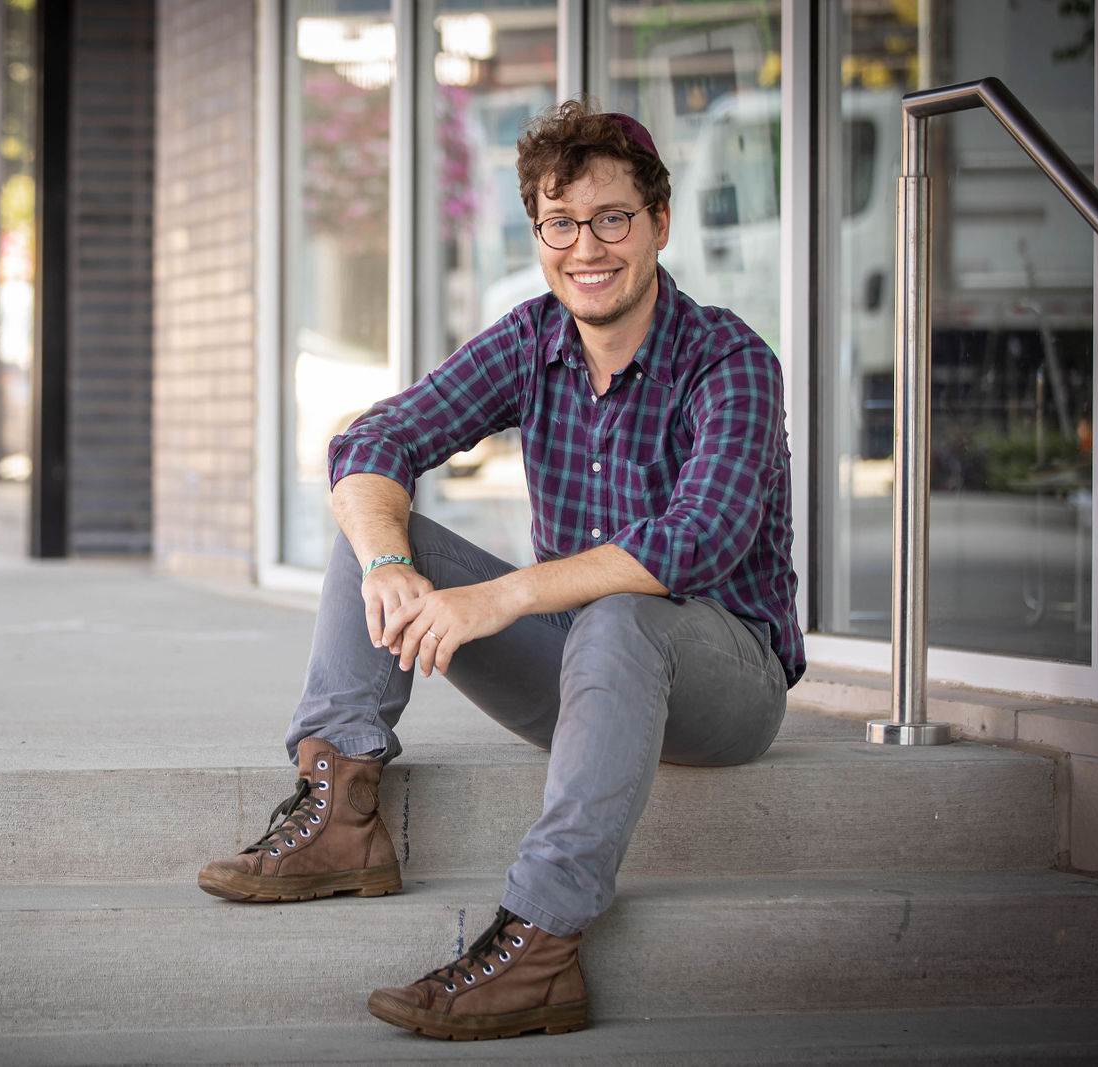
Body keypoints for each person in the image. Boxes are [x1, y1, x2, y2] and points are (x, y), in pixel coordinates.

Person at [198, 98, 804, 1042]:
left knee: (618, 611)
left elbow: (699, 540)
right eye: (560, 224)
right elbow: (375, 437)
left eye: (611, 218)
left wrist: (505, 595)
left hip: (725, 682)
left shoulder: (729, 360)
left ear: (659, 224)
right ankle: (341, 809)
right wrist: (392, 563)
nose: (586, 247)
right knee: (382, 535)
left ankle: (542, 943)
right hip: (583, 673)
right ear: (539, 232)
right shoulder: (532, 339)